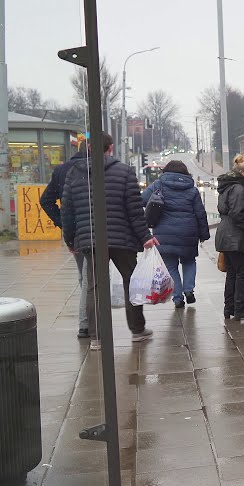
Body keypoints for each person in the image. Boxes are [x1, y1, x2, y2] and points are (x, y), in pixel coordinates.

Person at [61, 132, 159, 349]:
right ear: (111, 148)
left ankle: (97, 337)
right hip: (123, 238)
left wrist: (70, 239)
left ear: (87, 149)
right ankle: (137, 329)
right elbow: (134, 210)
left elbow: (67, 211)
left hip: (90, 240)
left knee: (94, 288)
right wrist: (145, 237)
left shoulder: (73, 174)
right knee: (131, 283)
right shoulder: (124, 172)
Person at [41, 137, 95, 339]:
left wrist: (62, 223)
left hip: (73, 231)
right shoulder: (94, 168)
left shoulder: (61, 170)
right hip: (92, 230)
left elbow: (46, 200)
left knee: (84, 274)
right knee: (91, 277)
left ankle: (89, 317)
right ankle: (86, 322)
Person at [142, 159, 210, 309]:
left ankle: (178, 297)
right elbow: (200, 214)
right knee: (189, 261)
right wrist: (204, 234)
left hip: (164, 234)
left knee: (171, 266)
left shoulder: (158, 184)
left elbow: (142, 199)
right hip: (188, 232)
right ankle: (189, 289)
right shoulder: (192, 190)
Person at [215, 154, 244, 321]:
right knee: (243, 272)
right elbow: (238, 213)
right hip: (235, 236)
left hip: (226, 235)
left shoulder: (228, 187)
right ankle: (240, 307)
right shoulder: (239, 189)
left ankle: (230, 307)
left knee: (233, 272)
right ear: (242, 174)